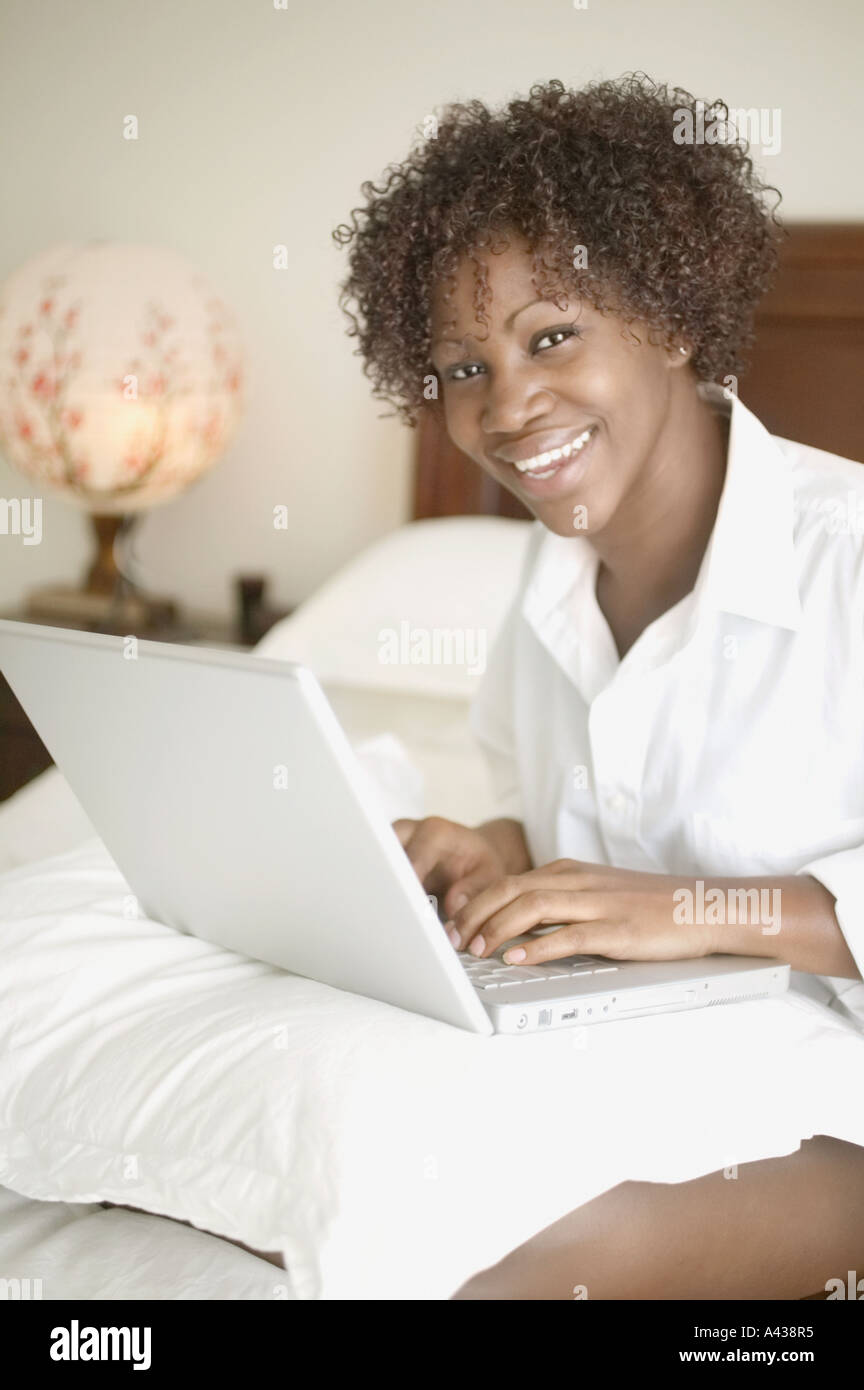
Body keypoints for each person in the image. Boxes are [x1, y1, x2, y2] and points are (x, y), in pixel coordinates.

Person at [334, 75, 864, 1299]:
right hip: (648, 1074)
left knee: (479, 1271)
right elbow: (577, 819)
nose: (508, 407)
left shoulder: (845, 564)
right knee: (333, 1202)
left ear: (672, 318)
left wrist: (693, 909)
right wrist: (491, 851)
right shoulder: (547, 588)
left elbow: (664, 887)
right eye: (463, 366)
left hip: (836, 1103)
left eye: (551, 336)